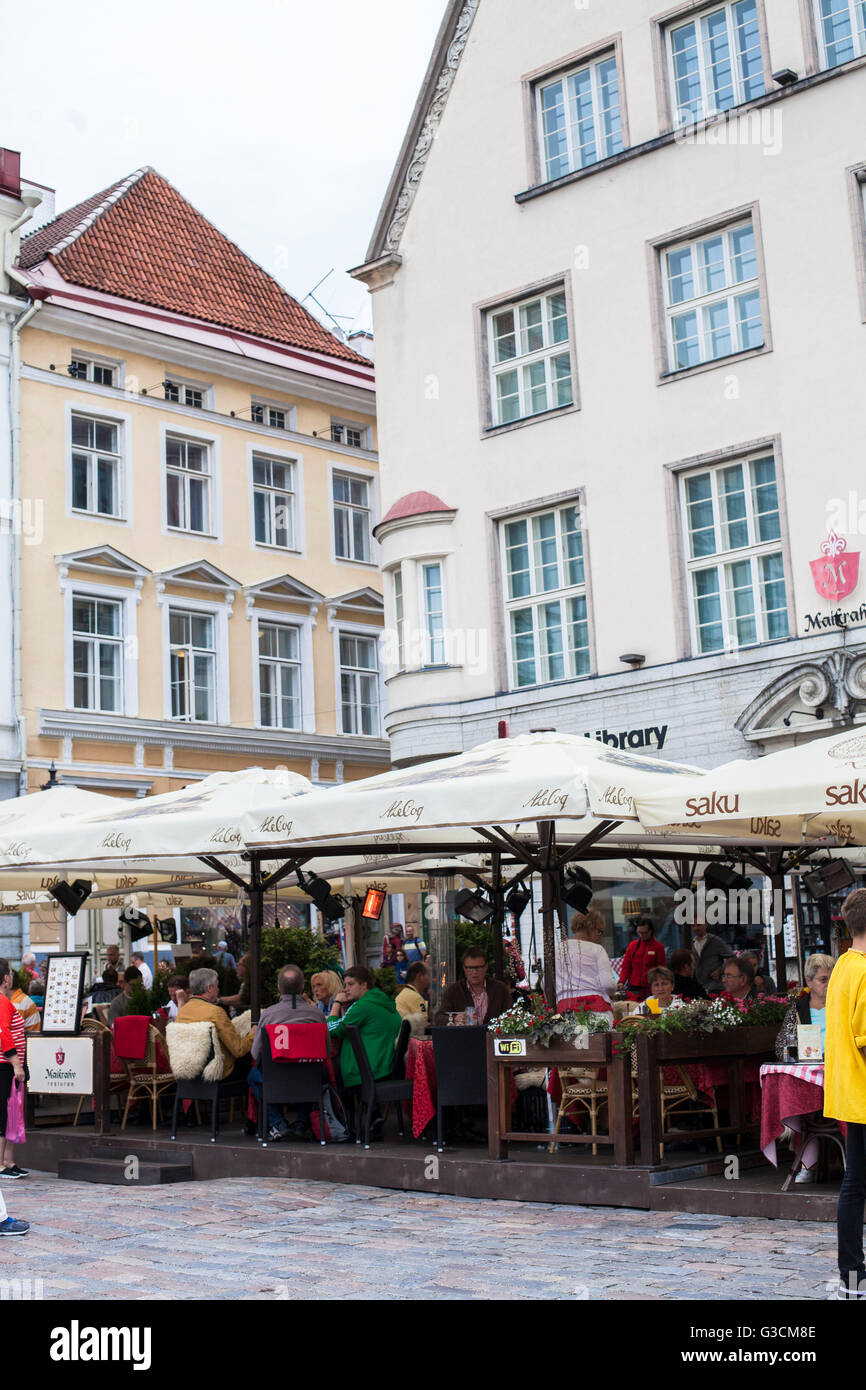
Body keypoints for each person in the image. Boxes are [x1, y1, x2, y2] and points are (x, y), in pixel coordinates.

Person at [824, 889, 866, 1296]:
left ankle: (852, 1277)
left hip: (852, 1093)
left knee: (855, 1184)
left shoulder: (842, 967)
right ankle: (853, 1274)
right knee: (855, 1184)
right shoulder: (865, 970)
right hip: (863, 1093)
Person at [249, 965, 328, 1141]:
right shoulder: (317, 1015)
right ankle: (301, 1121)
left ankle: (278, 1122)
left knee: (252, 1076)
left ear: (279, 988)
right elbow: (326, 1051)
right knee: (315, 1071)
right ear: (302, 988)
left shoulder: (268, 1015)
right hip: (310, 1078)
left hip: (276, 1078)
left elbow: (255, 1053)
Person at [326, 966, 402, 1110]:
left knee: (329, 1069)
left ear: (364, 985)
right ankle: (368, 1119)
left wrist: (336, 1003)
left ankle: (346, 1124)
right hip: (384, 1064)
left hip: (368, 1069)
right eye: (345, 985)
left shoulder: (363, 1006)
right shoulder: (380, 1000)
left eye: (351, 984)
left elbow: (333, 1030)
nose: (346, 989)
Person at [175, 967, 254, 1079]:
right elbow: (238, 1050)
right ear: (209, 988)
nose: (218, 989)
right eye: (217, 985)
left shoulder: (182, 1012)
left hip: (191, 1073)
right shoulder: (215, 1012)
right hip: (218, 1074)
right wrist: (253, 1034)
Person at [555, 909, 617, 1016]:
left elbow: (545, 984)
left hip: (565, 1008)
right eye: (599, 931)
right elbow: (608, 984)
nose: (600, 936)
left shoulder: (556, 950)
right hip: (595, 1008)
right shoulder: (597, 949)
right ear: (591, 928)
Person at [0, 960, 28, 1184]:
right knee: (3, 1112)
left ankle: (7, 1161)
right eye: (9, 973)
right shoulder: (1, 1001)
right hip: (5, 1064)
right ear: (6, 978)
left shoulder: (5, 1001)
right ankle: (0, 1163)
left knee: (10, 1113)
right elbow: (3, 1033)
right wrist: (16, 1063)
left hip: (8, 1064)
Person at [433, 947, 512, 1026]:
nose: (474, 972)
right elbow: (439, 1018)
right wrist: (453, 1019)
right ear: (464, 968)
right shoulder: (453, 991)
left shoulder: (500, 989)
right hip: (464, 1037)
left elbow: (511, 1016)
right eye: (470, 968)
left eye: (478, 968)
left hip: (494, 1037)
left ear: (486, 967)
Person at [618, 917, 666, 1003]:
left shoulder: (658, 947)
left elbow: (662, 970)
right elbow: (626, 966)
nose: (641, 935)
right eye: (639, 932)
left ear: (651, 931)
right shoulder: (632, 946)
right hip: (633, 987)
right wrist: (621, 981)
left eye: (644, 933)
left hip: (650, 988)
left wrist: (660, 987)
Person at [692, 920, 733, 993]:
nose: (696, 928)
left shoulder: (715, 941)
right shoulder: (693, 943)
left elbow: (732, 957)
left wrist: (720, 971)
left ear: (706, 925)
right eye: (693, 926)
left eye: (698, 925)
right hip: (700, 986)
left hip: (716, 986)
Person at [395, 962, 430, 1029]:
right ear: (419, 976)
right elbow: (424, 1026)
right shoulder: (415, 997)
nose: (430, 980)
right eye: (428, 975)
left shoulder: (406, 993)